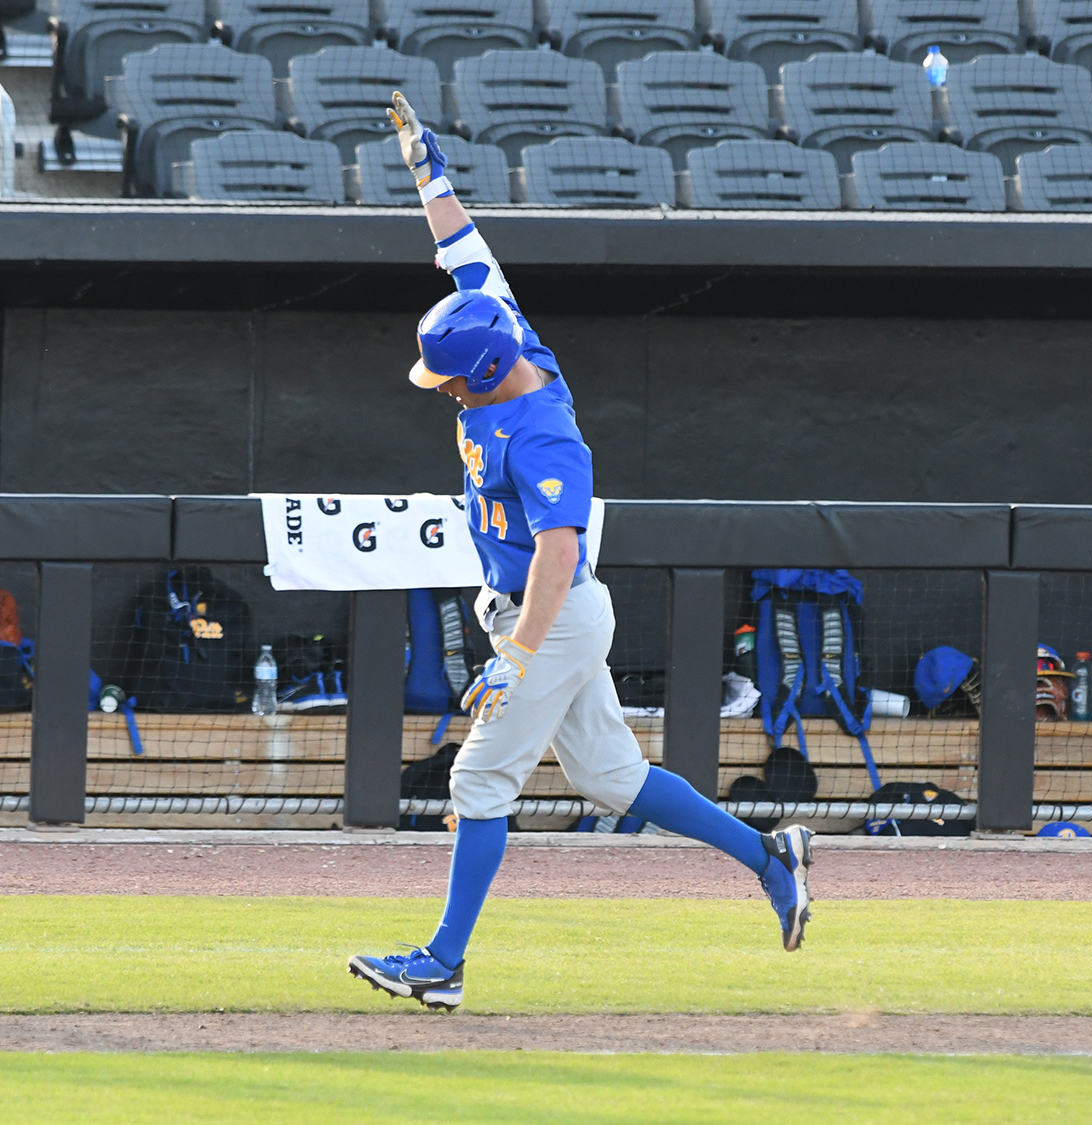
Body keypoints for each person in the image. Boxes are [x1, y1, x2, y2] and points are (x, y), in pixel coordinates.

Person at [346, 95, 815, 1013]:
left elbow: (560, 554)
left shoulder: (546, 431)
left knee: (479, 776)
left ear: (482, 372)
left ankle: (443, 961)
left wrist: (517, 655)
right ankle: (770, 858)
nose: (439, 391)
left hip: (550, 613)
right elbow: (461, 248)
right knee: (614, 778)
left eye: (447, 380)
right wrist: (426, 172)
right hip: (530, 611)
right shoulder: (504, 331)